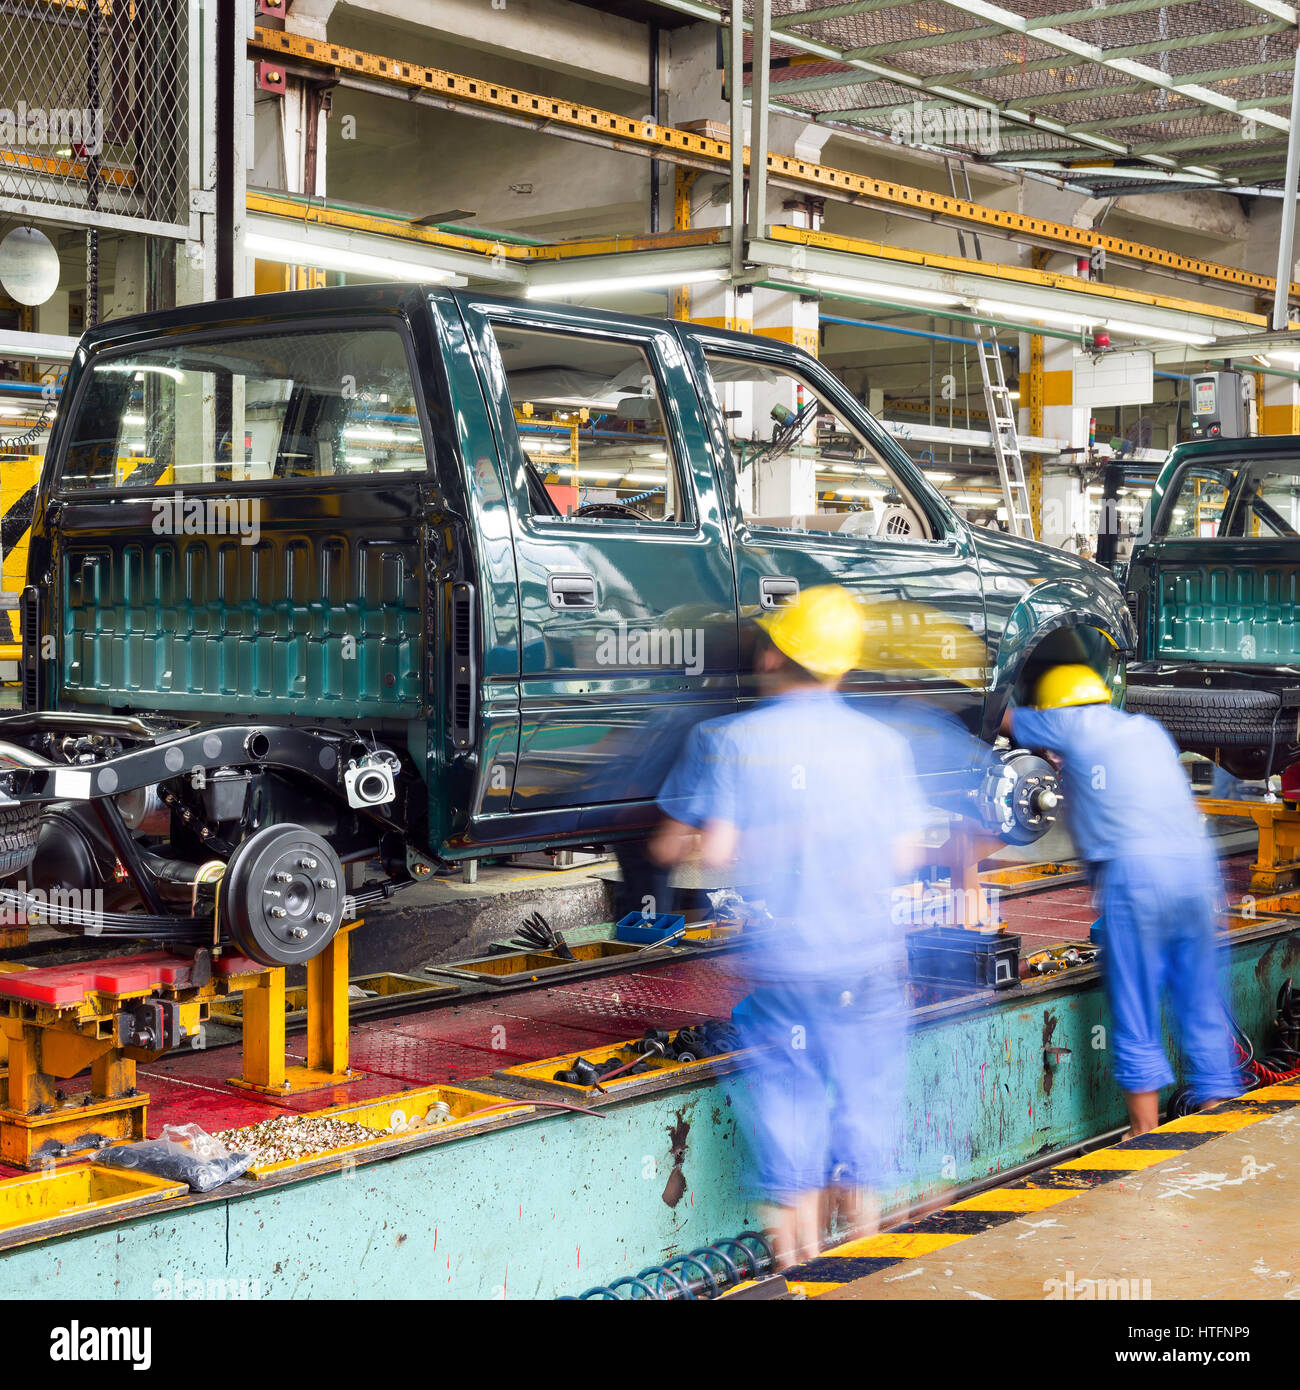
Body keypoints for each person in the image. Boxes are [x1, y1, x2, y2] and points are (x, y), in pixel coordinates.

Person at [650, 585, 924, 1269]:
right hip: (870, 963)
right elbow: (905, 854)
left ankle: (798, 1269)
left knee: (789, 1121)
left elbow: (698, 853)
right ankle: (863, 1262)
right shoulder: (882, 744)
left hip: (786, 970)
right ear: (843, 668)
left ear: (773, 655)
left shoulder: (727, 740)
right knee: (864, 1120)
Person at [1002, 664, 1242, 1137]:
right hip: (1196, 872)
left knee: (1135, 1004)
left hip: (1138, 877)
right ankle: (1219, 1121)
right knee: (1200, 1001)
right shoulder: (1147, 730)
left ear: (1058, 709)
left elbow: (1004, 718)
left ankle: (1143, 1134)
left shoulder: (1071, 723)